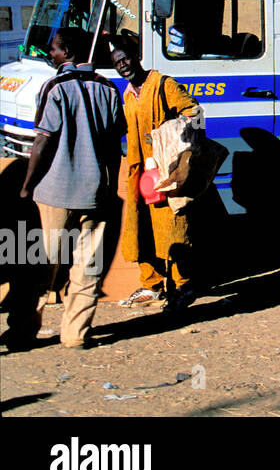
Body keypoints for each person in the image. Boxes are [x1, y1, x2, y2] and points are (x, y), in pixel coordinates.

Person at [12, 28, 125, 349]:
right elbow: (114, 146)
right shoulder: (108, 89)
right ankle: (75, 335)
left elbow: (43, 141)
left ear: (69, 53)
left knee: (39, 265)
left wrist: (27, 185)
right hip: (97, 193)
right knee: (89, 268)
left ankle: (22, 332)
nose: (51, 53)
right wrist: (107, 186)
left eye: (55, 49)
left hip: (55, 192)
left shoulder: (56, 88)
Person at [110, 33, 205, 312]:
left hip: (166, 171)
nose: (123, 65)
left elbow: (194, 112)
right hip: (140, 174)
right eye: (117, 63)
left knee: (173, 227)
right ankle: (152, 284)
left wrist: (181, 152)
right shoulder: (127, 94)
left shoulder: (163, 84)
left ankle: (183, 285)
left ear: (137, 57)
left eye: (126, 58)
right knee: (141, 227)